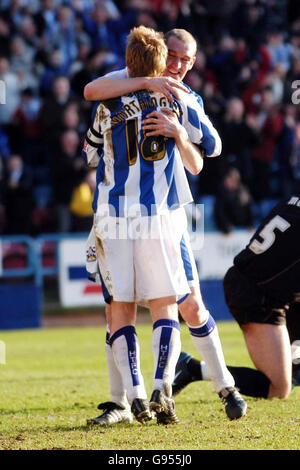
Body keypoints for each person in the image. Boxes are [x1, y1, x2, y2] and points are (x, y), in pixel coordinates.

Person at [83, 28, 247, 425]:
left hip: (162, 212)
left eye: (186, 60)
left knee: (183, 303)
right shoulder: (131, 84)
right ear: (159, 54)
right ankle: (126, 401)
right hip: (150, 212)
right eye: (173, 56)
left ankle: (220, 385)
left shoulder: (177, 97)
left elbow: (208, 152)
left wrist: (177, 133)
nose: (178, 65)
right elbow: (93, 90)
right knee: (136, 306)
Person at [173, 195, 300, 399]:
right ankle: (193, 369)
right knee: (279, 389)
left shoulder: (291, 199)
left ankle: (295, 360)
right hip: (257, 293)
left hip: (260, 281)